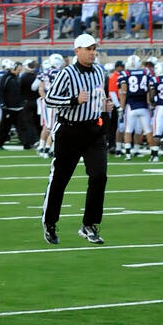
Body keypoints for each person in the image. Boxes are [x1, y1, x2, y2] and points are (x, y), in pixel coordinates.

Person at [42, 33, 110, 245]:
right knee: (60, 180)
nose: (92, 52)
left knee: (99, 176)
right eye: (88, 49)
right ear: (77, 51)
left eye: (94, 48)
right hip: (69, 131)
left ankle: (89, 224)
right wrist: (74, 100)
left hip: (93, 130)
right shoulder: (67, 73)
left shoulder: (100, 71)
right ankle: (50, 222)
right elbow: (50, 99)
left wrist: (105, 107)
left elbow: (99, 97)